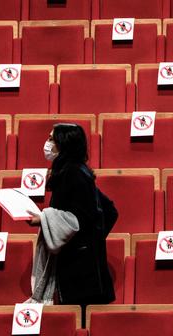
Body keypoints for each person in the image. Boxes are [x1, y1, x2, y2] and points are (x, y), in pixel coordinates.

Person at [24, 123, 117, 310]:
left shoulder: (73, 173)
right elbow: (107, 211)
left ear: (64, 144)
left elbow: (81, 217)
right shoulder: (76, 170)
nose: (47, 143)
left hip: (81, 272)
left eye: (52, 139)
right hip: (84, 266)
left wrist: (43, 219)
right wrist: (94, 239)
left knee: (81, 323)